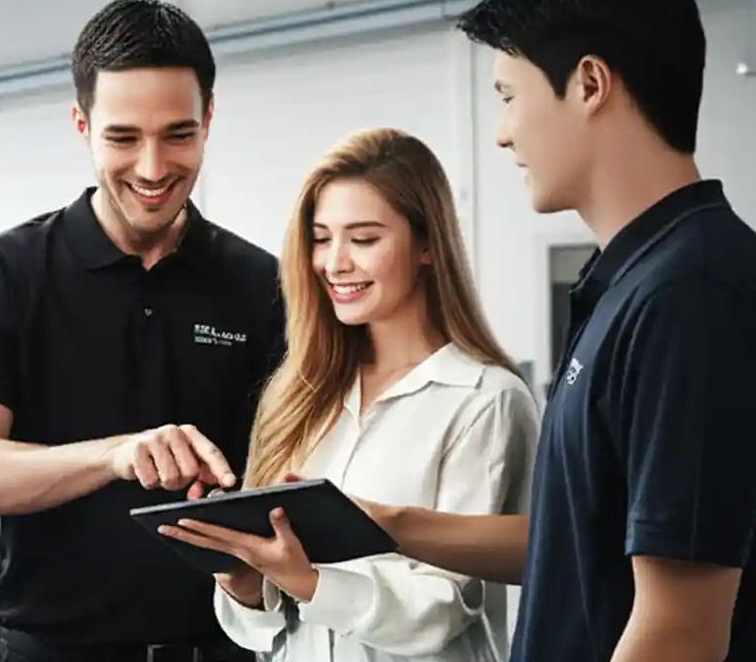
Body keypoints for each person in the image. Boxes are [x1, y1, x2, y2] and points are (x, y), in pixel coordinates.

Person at [348, 0, 756, 660]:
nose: (502, 131)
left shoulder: (689, 293)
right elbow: (579, 540)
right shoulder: (629, 284)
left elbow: (681, 627)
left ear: (590, 82)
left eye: (508, 96)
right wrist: (381, 521)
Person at [0, 0, 284, 662]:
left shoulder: (260, 284)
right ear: (82, 124)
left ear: (209, 120)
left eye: (178, 134)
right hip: (51, 649)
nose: (152, 169)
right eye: (122, 138)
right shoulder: (8, 273)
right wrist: (116, 454)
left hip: (221, 650)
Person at [159, 128, 540, 661]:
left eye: (363, 239)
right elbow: (265, 629)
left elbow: (447, 607)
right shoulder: (297, 394)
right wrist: (242, 573)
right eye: (321, 237)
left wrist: (311, 581)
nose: (334, 262)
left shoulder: (484, 399)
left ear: (428, 245)